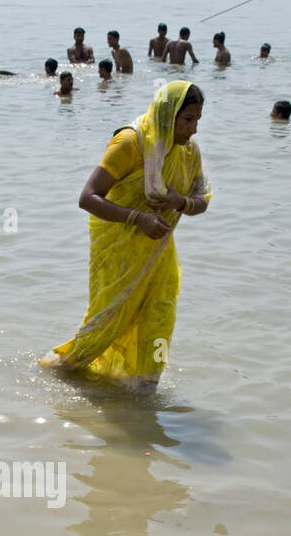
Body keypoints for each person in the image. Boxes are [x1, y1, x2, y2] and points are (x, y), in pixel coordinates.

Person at [38, 80, 210, 386]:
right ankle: (59, 371)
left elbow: (202, 200)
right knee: (108, 320)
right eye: (187, 120)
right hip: (118, 251)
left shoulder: (188, 152)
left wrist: (179, 201)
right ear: (168, 116)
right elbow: (88, 197)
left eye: (198, 119)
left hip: (159, 253)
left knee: (159, 317)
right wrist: (136, 218)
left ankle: (142, 387)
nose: (194, 128)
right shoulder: (131, 142)